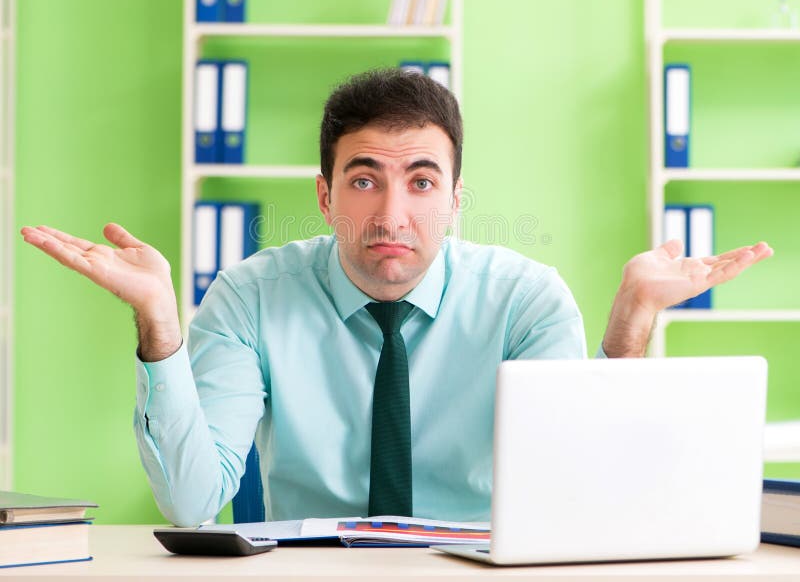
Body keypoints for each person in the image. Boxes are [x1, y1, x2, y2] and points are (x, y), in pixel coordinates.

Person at [21, 68, 772, 526]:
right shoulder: (251, 297)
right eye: (363, 179)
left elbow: (580, 488)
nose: (391, 215)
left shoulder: (526, 301)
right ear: (325, 197)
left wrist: (631, 325)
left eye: (421, 181)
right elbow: (191, 503)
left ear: (455, 200)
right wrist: (158, 321)